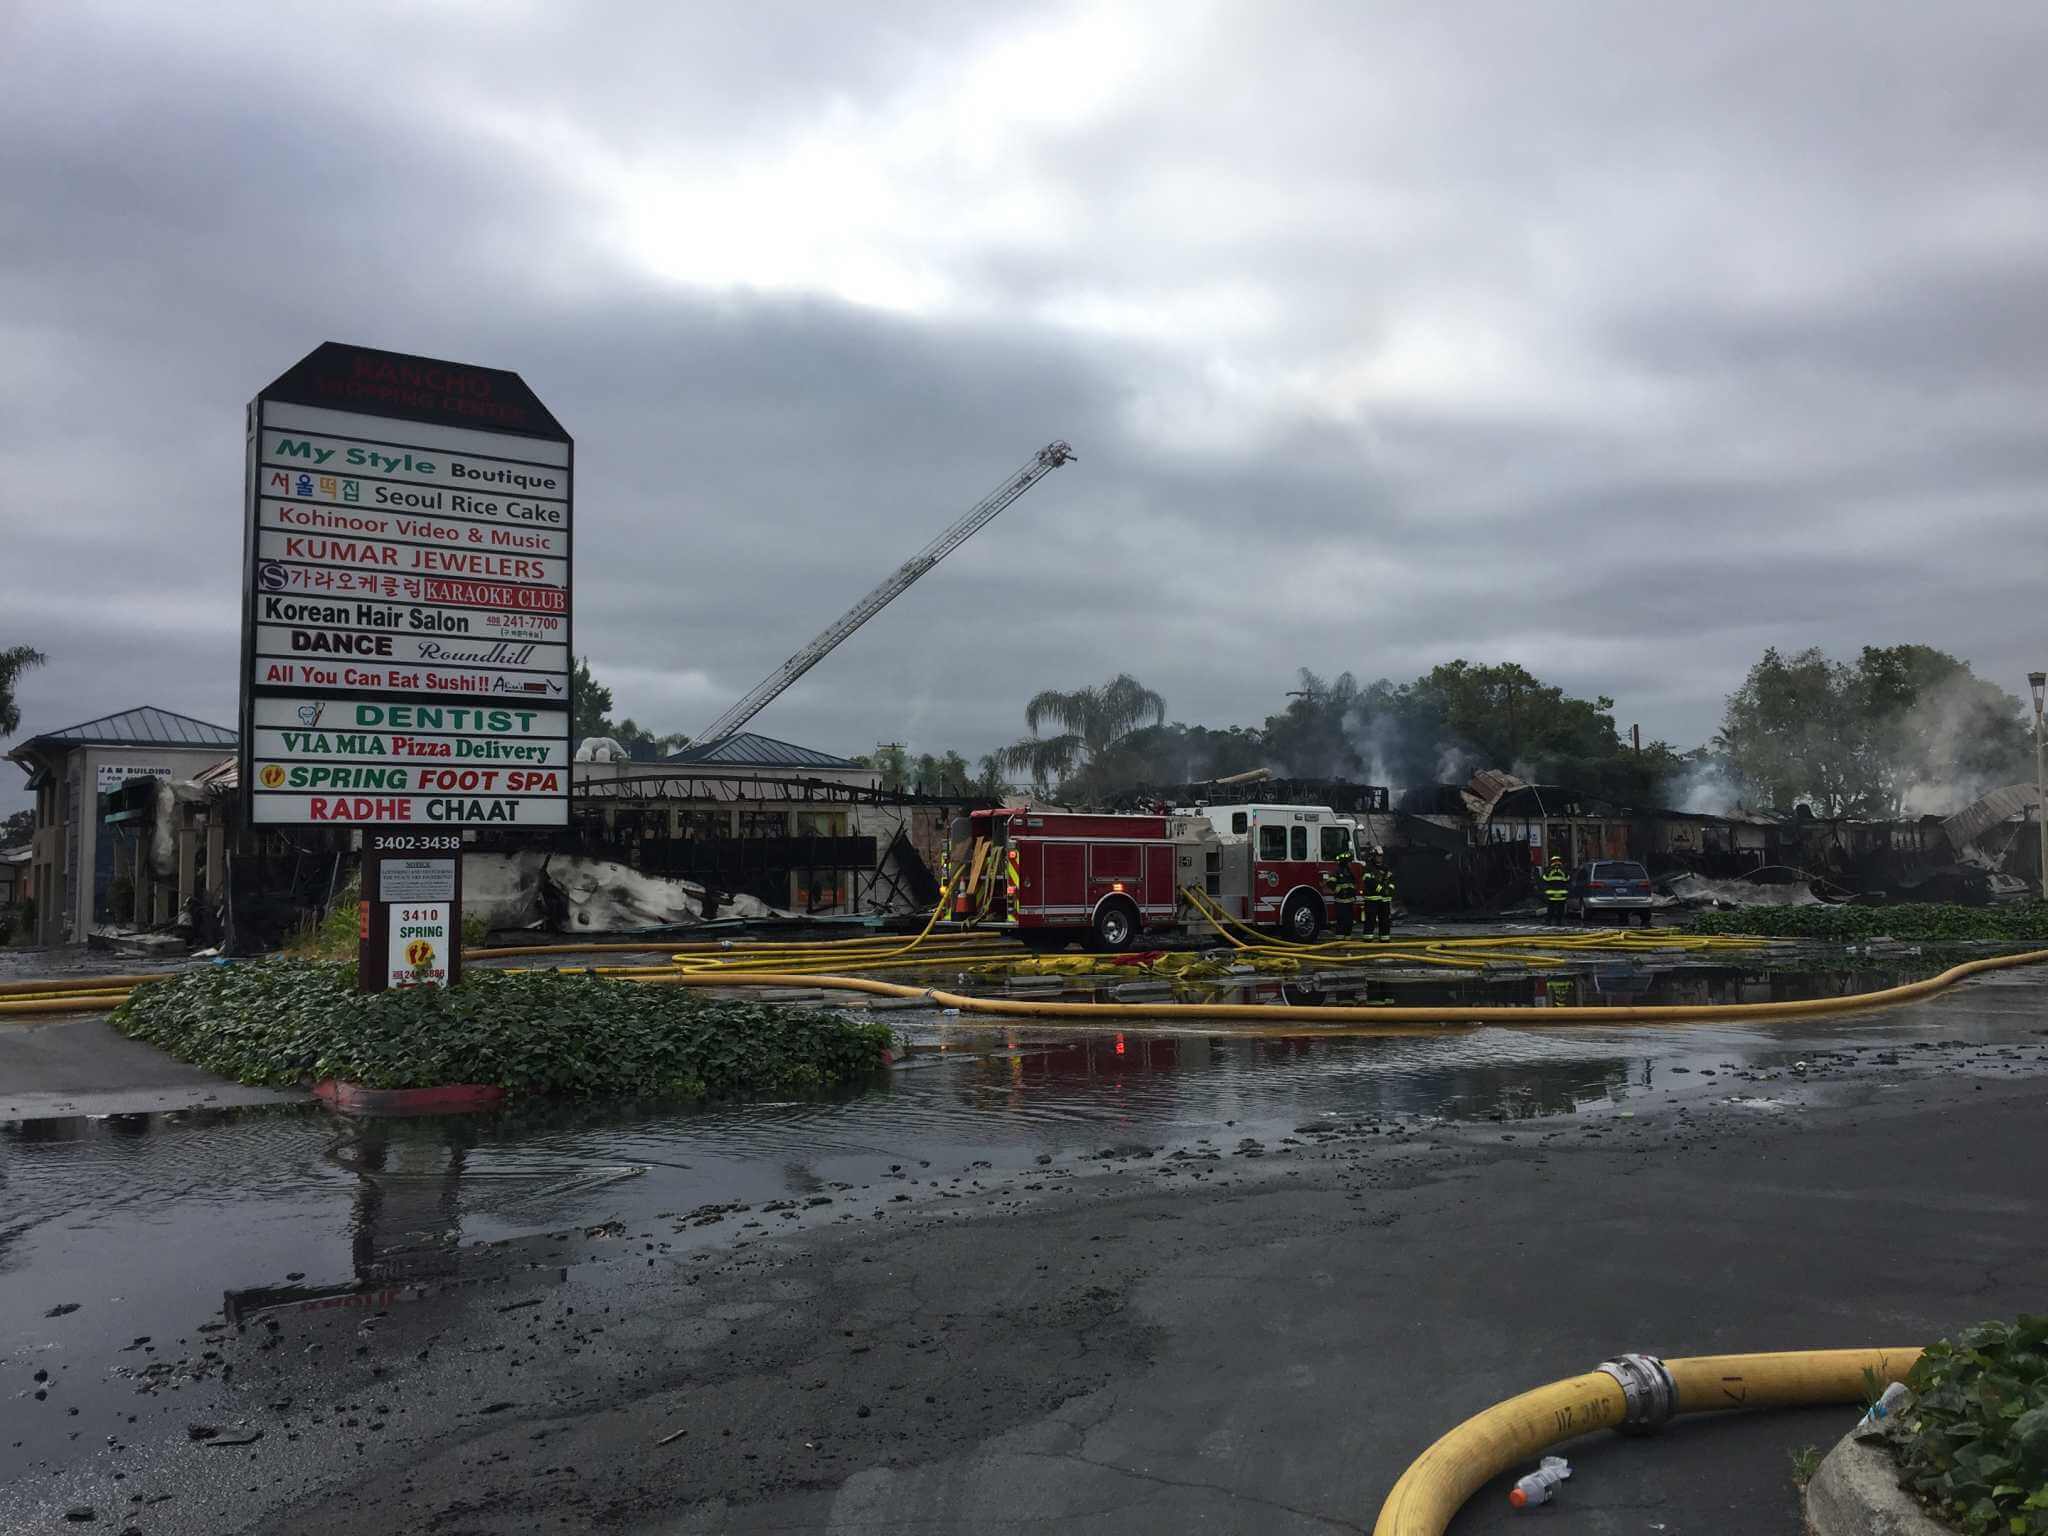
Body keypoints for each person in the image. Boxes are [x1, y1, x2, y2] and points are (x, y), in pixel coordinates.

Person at [1360, 846, 1395, 941]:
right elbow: (1368, 881)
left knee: (1385, 921)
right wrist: (1381, 889)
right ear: (1373, 856)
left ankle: (1384, 939)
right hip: (1372, 900)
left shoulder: (1385, 868)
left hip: (1384, 900)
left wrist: (1390, 890)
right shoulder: (1368, 868)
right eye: (1378, 856)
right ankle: (1368, 940)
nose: (1380, 858)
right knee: (1370, 920)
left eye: (1381, 856)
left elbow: (1392, 881)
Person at [1541, 856, 1570, 922]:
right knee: (1560, 908)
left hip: (1551, 894)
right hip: (1562, 894)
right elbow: (1567, 879)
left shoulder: (1549, 870)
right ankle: (1559, 921)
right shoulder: (1563, 870)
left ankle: (1548, 921)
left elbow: (1544, 879)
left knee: (1551, 908)